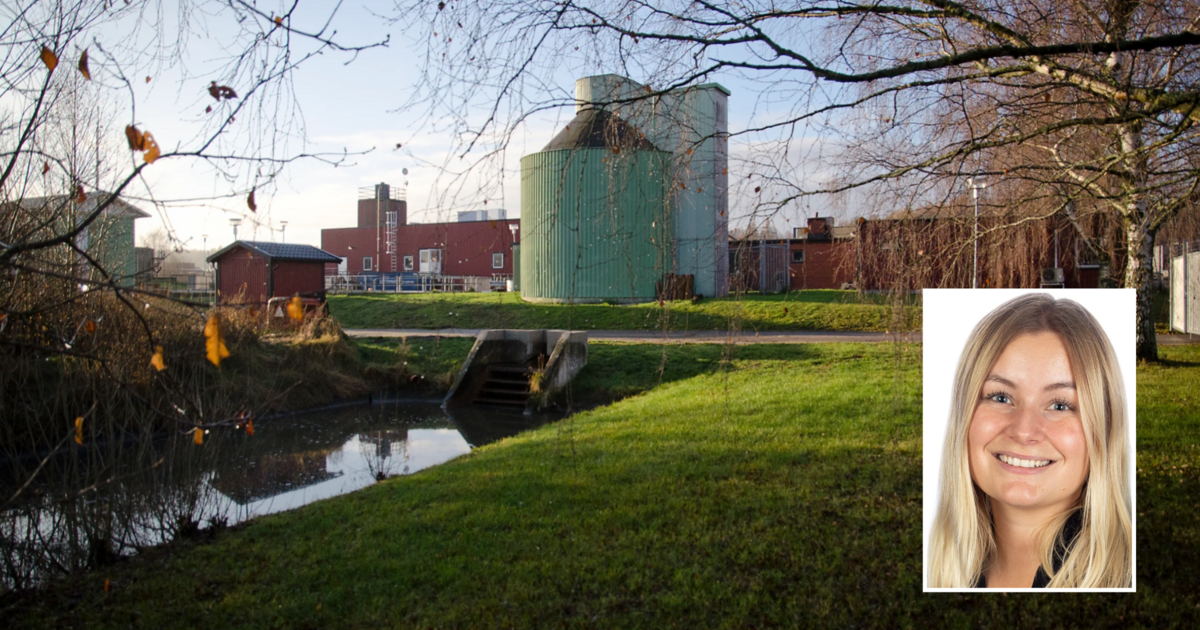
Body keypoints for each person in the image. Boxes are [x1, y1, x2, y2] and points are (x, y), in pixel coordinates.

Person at [927, 293, 1132, 588]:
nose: (1024, 431)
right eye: (1000, 397)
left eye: (1060, 405)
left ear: (1103, 428)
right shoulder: (941, 571)